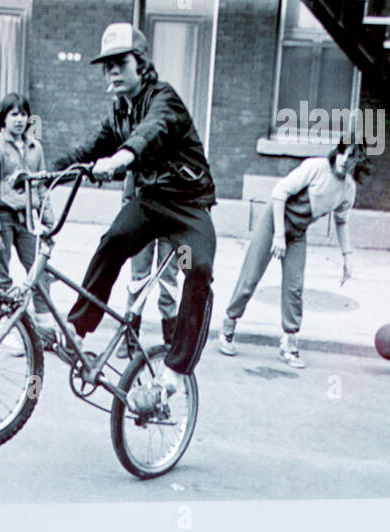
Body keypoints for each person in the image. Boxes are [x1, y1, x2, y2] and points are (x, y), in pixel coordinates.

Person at [62, 23, 217, 398]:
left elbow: (153, 129)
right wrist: (46, 172)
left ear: (142, 64)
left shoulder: (164, 97)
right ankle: (78, 328)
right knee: (113, 240)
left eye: (120, 63)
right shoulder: (119, 112)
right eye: (106, 65)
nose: (111, 72)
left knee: (196, 268)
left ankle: (177, 370)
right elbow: (90, 150)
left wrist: (122, 158)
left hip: (188, 207)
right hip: (150, 203)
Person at [219, 140, 371, 368]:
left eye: (351, 157)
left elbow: (341, 221)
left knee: (294, 287)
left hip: (298, 232)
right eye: (342, 153)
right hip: (275, 221)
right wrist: (278, 236)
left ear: (358, 162)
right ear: (336, 152)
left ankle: (289, 343)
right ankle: (228, 327)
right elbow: (279, 193)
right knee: (251, 278)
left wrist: (348, 257)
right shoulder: (316, 167)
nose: (344, 160)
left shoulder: (348, 189)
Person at [0, 92, 53, 331]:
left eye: (23, 114)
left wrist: (48, 221)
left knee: (38, 272)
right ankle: (5, 328)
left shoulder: (34, 147)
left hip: (27, 218)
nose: (19, 120)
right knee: (1, 277)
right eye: (13, 114)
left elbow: (42, 185)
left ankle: (44, 329)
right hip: (2, 217)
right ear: (4, 118)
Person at [117, 172, 179, 359]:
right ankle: (130, 338)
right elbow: (128, 195)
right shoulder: (144, 149)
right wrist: (127, 227)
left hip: (173, 228)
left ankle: (171, 339)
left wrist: (188, 251)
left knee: (170, 281)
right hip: (143, 225)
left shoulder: (182, 154)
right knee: (138, 281)